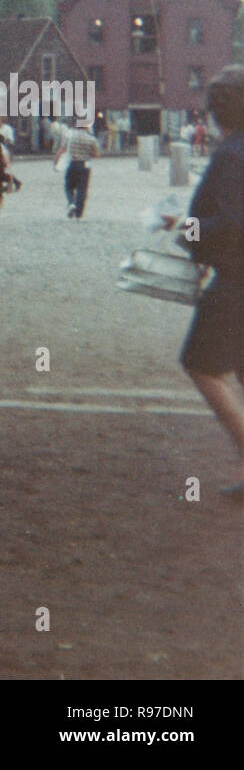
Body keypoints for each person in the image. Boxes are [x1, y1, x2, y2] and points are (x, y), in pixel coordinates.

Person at [177, 65, 244, 495]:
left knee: (201, 364)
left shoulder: (233, 154)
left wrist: (188, 230)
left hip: (237, 282)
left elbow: (234, 223)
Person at [63, 116, 101, 219]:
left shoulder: (71, 137)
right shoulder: (91, 139)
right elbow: (97, 154)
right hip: (85, 165)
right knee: (82, 189)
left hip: (73, 163)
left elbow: (65, 148)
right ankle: (79, 212)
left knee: (68, 186)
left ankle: (71, 203)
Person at [0, 116, 22, 192]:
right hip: (1, 148)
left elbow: (10, 140)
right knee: (2, 168)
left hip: (7, 148)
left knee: (6, 167)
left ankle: (14, 183)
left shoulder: (7, 128)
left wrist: (5, 146)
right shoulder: (0, 129)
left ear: (2, 120)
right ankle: (15, 182)